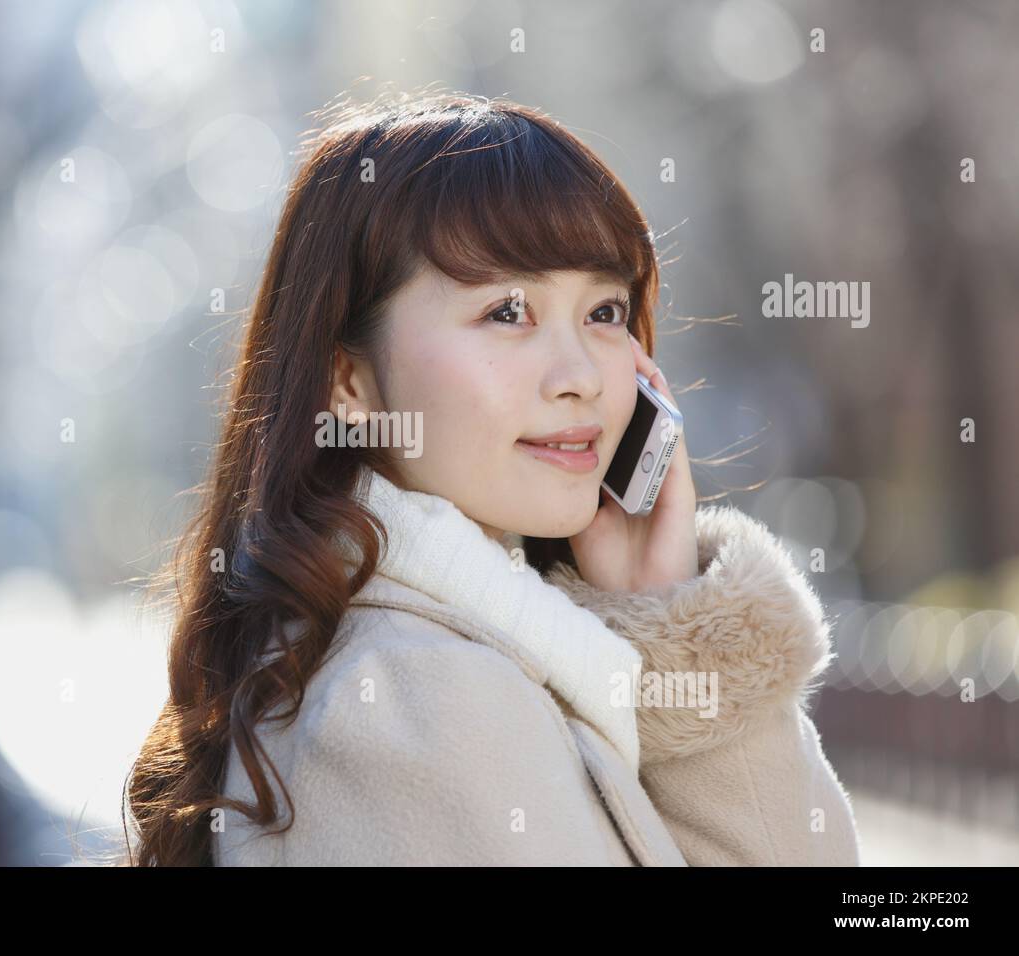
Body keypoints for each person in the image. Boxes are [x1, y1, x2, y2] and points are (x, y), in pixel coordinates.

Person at [122, 88, 862, 866]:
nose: (578, 375)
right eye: (508, 312)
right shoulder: (418, 700)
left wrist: (664, 615)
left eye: (605, 312)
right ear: (350, 382)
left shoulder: (480, 654)